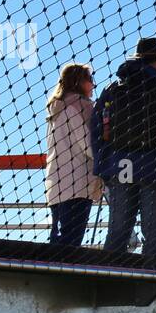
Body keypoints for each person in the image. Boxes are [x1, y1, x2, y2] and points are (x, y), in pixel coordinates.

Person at [91, 36, 156, 260]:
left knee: (117, 232)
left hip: (120, 166)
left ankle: (109, 274)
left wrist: (102, 167)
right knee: (153, 236)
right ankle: (151, 277)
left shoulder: (112, 89)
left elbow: (97, 129)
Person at [44, 62, 104, 248]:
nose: (93, 84)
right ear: (79, 81)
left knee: (59, 236)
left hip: (56, 182)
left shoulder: (56, 109)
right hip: (77, 182)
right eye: (90, 79)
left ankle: (51, 265)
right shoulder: (79, 107)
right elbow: (88, 145)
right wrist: (106, 159)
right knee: (71, 240)